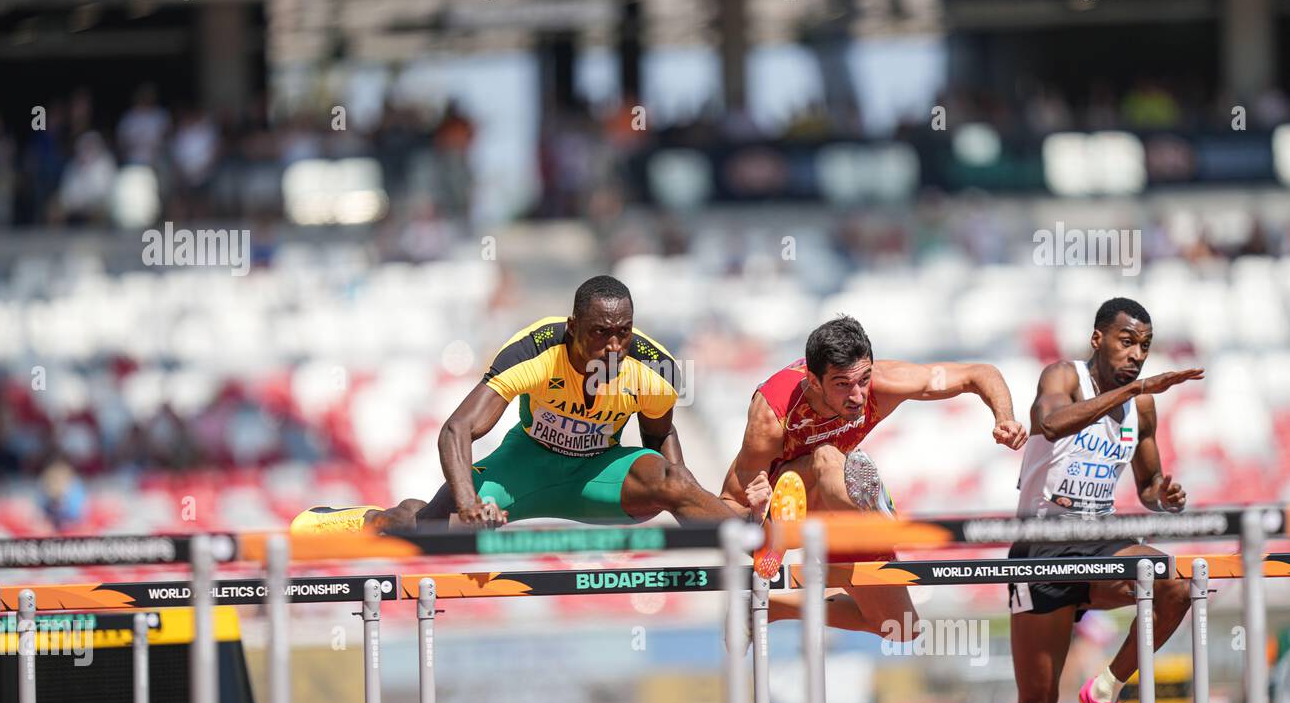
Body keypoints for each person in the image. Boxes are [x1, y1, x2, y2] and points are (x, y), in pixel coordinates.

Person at [295, 276, 767, 536]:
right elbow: (456, 430)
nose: (613, 346)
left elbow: (658, 434)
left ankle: (751, 535)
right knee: (435, 532)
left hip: (596, 474)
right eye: (600, 332)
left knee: (675, 481)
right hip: (525, 464)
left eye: (623, 331)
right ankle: (368, 519)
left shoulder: (655, 368)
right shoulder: (536, 350)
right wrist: (470, 504)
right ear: (571, 327)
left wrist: (684, 500)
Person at [1003, 297, 1203, 703]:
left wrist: (1166, 494)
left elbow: (1148, 486)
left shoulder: (1141, 406)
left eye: (1145, 346)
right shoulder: (1064, 376)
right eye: (1127, 341)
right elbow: (1050, 423)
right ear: (1098, 339)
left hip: (1100, 538)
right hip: (1042, 546)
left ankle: (1106, 689)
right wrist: (1131, 388)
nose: (1137, 355)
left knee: (1176, 585)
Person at [719, 315, 1027, 641]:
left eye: (863, 379)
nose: (857, 396)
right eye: (841, 384)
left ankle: (768, 609)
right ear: (813, 380)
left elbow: (980, 374)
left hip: (840, 503)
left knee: (901, 628)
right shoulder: (773, 413)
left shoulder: (885, 381)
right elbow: (728, 502)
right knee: (826, 456)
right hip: (788, 508)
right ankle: (870, 517)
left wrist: (1004, 418)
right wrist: (758, 518)